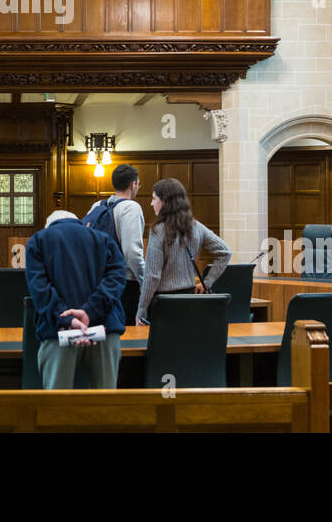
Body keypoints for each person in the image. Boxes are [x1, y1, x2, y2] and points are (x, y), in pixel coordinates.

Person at [24, 209, 126, 389]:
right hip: (103, 331)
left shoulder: (39, 240)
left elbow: (41, 290)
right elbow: (116, 279)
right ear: (78, 222)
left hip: (59, 334)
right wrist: (89, 312)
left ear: (48, 226)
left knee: (57, 408)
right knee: (106, 406)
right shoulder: (104, 240)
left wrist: (68, 319)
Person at [136, 177, 231, 325]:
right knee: (185, 344)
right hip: (190, 298)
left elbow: (152, 276)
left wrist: (141, 309)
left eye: (154, 199)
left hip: (164, 303)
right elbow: (225, 252)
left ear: (164, 201)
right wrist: (207, 282)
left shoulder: (158, 231)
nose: (151, 203)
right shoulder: (197, 227)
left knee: (163, 346)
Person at [83, 163, 145, 322]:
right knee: (126, 333)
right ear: (133, 184)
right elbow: (132, 253)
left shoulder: (97, 205)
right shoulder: (131, 208)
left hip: (96, 280)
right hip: (124, 284)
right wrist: (145, 281)